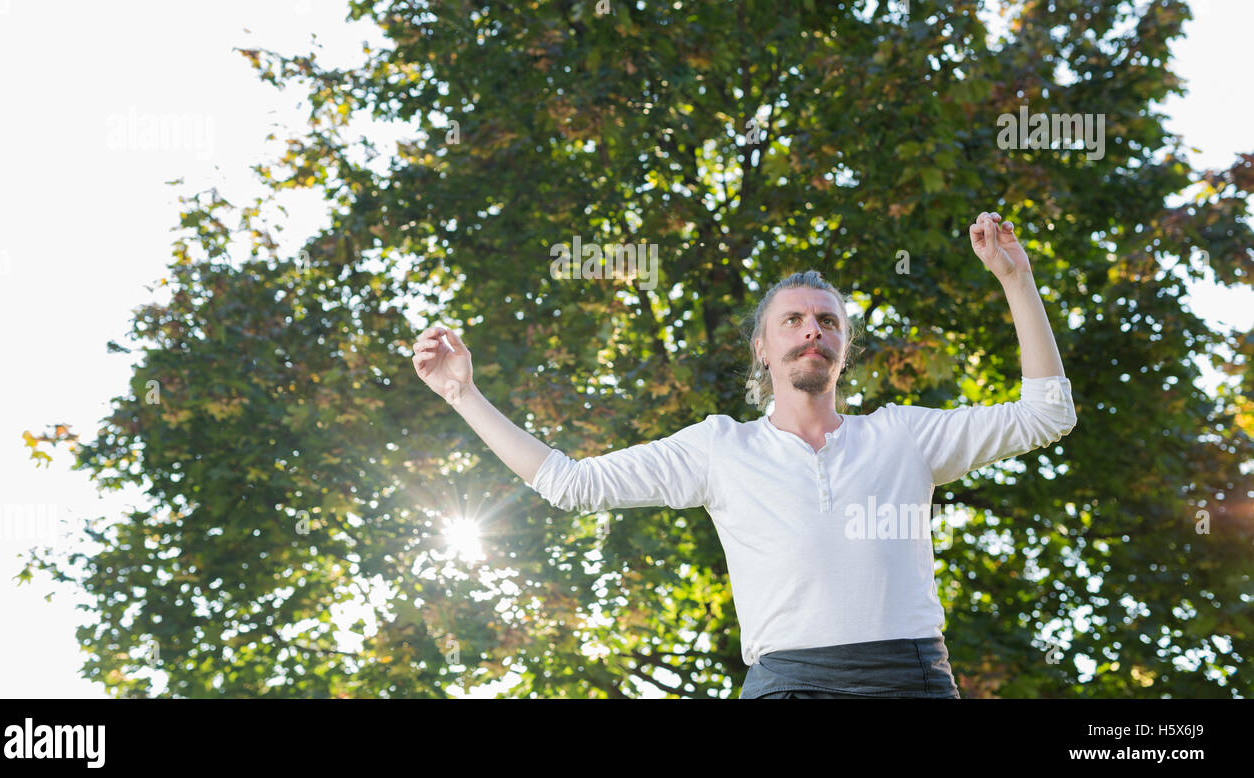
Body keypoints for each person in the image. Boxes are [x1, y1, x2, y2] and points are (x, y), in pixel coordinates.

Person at [411, 211, 1077, 698]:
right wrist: (464, 394)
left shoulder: (903, 436)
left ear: (844, 347)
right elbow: (570, 482)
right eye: (792, 319)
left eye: (828, 321)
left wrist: (1016, 281)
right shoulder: (719, 448)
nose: (812, 328)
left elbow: (1047, 414)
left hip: (908, 678)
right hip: (786, 682)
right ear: (762, 346)